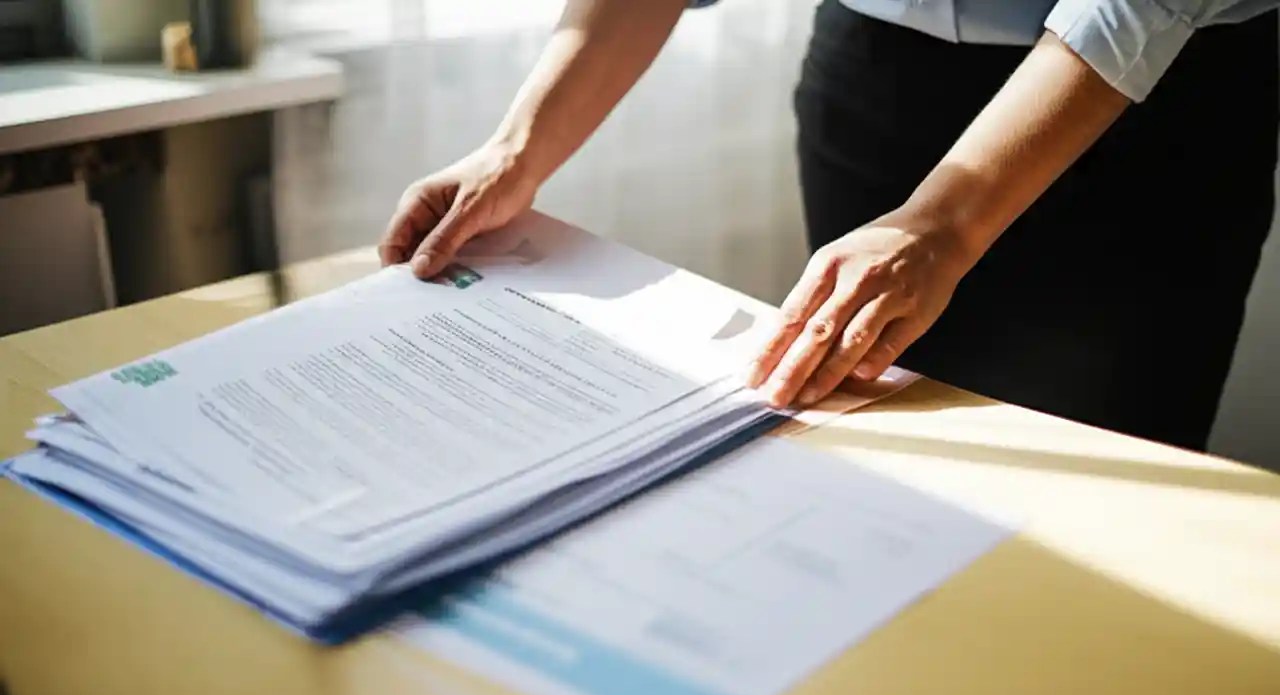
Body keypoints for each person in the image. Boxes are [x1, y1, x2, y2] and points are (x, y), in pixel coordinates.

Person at [378, 0, 1279, 452]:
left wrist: (946, 224)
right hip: (871, 72)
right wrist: (515, 151)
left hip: (1133, 97)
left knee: (1100, 495)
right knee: (869, 457)